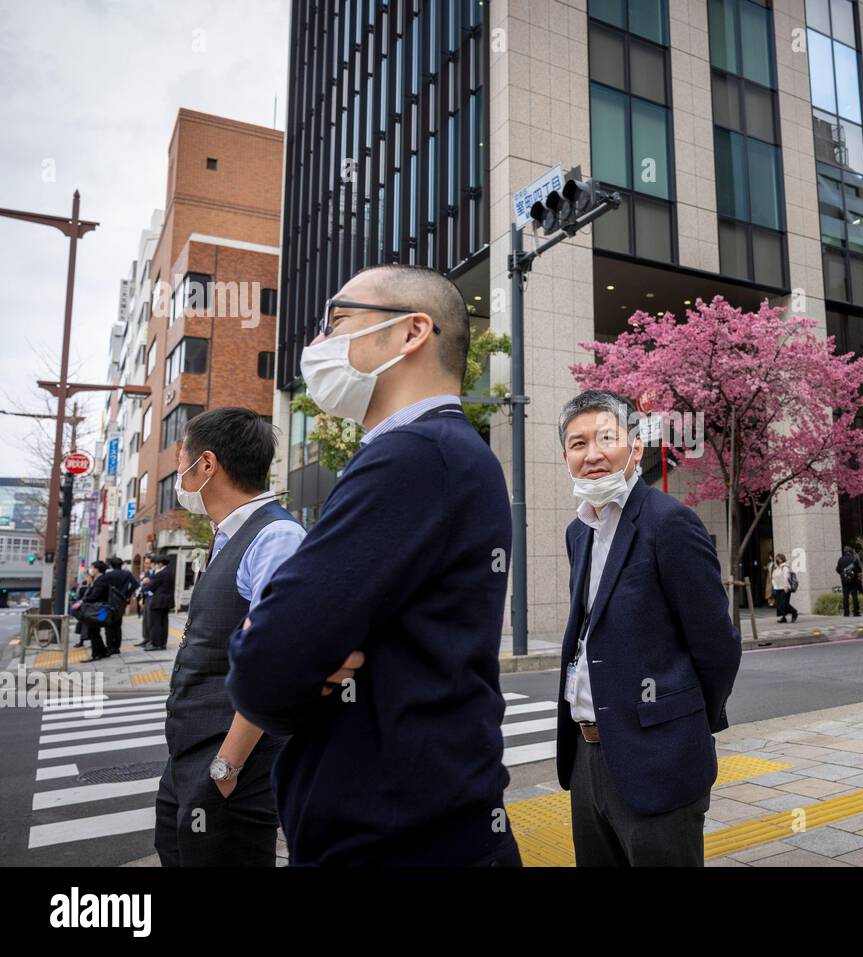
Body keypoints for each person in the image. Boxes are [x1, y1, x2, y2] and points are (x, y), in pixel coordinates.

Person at [227, 263, 520, 867]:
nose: (317, 346)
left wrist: (263, 639)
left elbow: (270, 663)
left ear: (413, 332)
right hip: (430, 820)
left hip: (394, 838)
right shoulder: (451, 452)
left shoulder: (413, 457)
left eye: (337, 322)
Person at [556, 389, 741, 866]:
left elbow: (717, 646)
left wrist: (681, 725)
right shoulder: (578, 532)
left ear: (635, 448)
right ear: (565, 457)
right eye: (578, 444)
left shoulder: (670, 523)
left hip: (658, 758)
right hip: (586, 756)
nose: (592, 455)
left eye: (605, 438)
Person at [153, 407, 306, 868]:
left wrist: (226, 767)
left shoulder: (276, 536)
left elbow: (279, 660)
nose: (179, 476)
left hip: (234, 760)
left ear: (206, 465)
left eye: (182, 462)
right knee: (177, 851)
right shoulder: (226, 535)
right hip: (190, 752)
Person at [72, 562, 112, 660]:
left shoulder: (101, 580)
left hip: (98, 609)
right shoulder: (102, 579)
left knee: (93, 630)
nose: (91, 569)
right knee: (94, 630)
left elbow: (95, 596)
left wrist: (81, 602)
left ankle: (96, 654)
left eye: (92, 567)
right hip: (100, 608)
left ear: (97, 569)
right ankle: (103, 651)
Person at [99, 556, 138, 655]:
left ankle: (110, 647)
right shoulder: (127, 574)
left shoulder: (108, 575)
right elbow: (135, 585)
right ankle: (117, 647)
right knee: (118, 624)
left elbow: (100, 586)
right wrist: (127, 595)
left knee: (109, 625)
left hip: (109, 601)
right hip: (121, 602)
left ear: (111, 565)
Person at [138, 552, 174, 651]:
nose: (155, 564)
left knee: (156, 624)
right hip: (166, 602)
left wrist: (144, 584)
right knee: (163, 624)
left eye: (157, 563)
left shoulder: (161, 573)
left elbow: (151, 587)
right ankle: (162, 644)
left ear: (160, 563)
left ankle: (156, 644)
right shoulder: (170, 571)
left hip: (158, 602)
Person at [771, 553, 798, 623]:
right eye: (776, 558)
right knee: (779, 605)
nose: (776, 560)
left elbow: (786, 577)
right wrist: (774, 586)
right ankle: (783, 617)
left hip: (784, 588)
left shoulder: (785, 567)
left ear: (781, 559)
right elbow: (773, 578)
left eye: (778, 558)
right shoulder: (777, 568)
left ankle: (794, 612)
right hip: (777, 588)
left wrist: (785, 586)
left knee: (784, 604)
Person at [837, 545, 862, 616]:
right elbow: (859, 569)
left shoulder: (841, 559)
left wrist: (843, 575)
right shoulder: (854, 559)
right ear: (851, 551)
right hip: (853, 580)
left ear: (844, 552)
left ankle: (846, 613)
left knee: (845, 596)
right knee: (854, 595)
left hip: (844, 580)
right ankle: (856, 612)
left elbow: (837, 569)